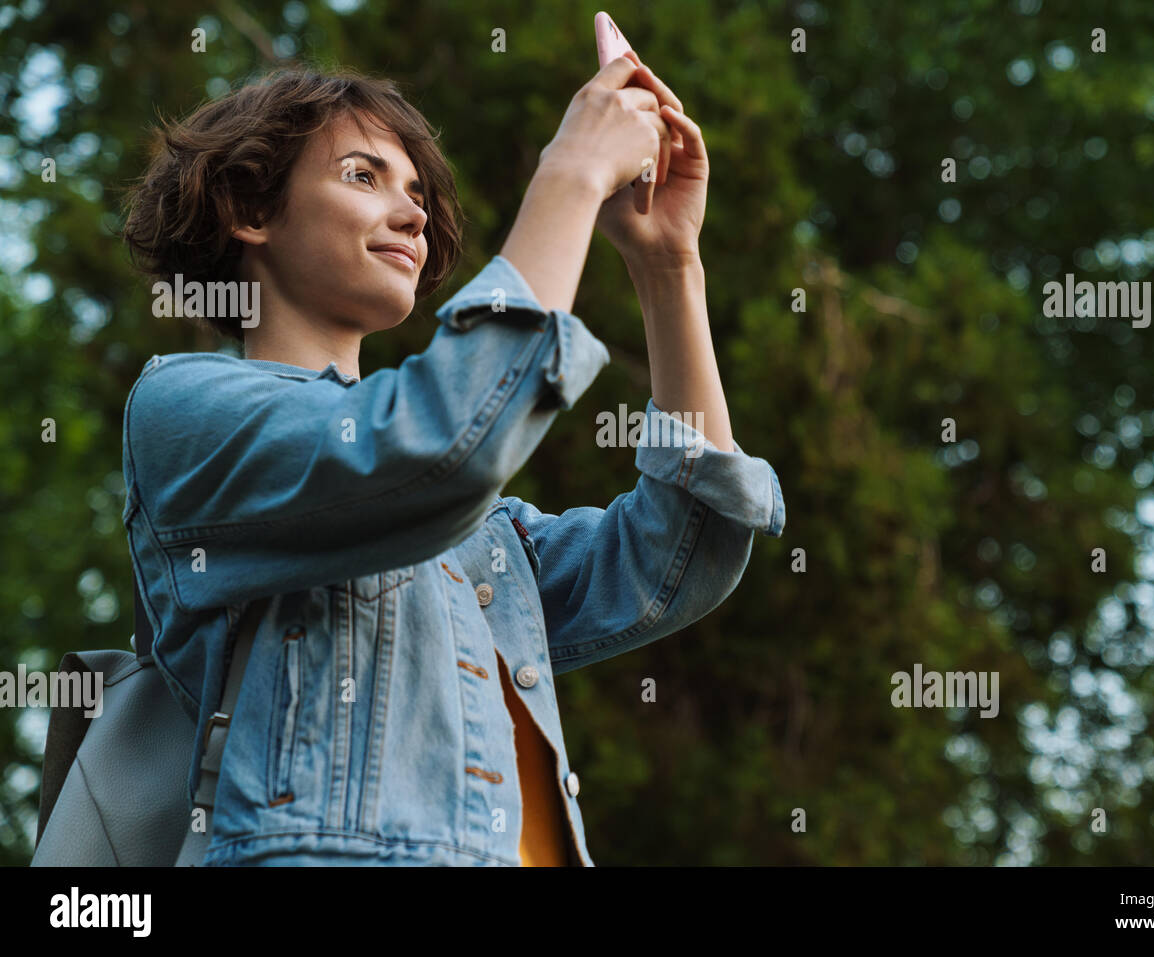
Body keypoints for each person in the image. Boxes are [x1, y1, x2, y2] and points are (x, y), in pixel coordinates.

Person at [117, 58, 785, 866]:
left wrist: (669, 265)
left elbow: (685, 546)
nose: (411, 213)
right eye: (365, 175)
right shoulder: (186, 409)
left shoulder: (485, 536)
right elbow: (438, 446)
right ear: (251, 208)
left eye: (418, 196)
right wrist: (570, 172)